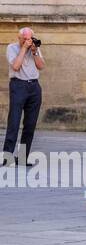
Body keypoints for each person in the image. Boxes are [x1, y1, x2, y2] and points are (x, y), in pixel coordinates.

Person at [4, 27, 45, 165]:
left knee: (30, 124)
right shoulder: (12, 48)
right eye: (25, 39)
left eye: (30, 38)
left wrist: (34, 52)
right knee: (14, 122)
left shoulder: (35, 48)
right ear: (20, 38)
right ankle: (7, 157)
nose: (28, 41)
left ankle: (22, 158)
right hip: (18, 85)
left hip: (34, 86)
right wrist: (23, 49)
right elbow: (16, 66)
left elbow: (41, 66)